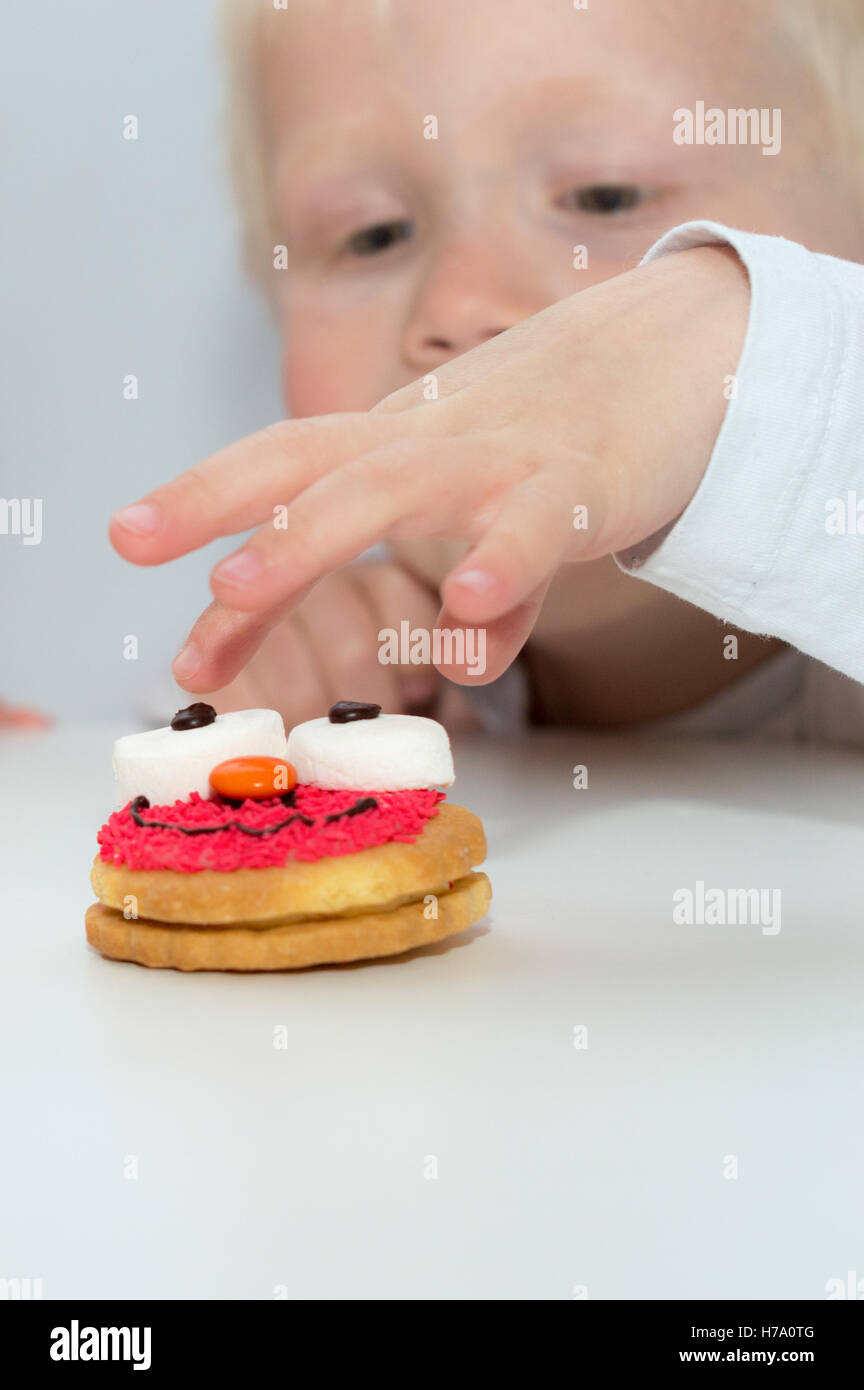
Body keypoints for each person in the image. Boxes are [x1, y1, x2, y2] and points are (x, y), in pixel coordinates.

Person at [110, 0, 864, 745]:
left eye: (608, 196)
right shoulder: (363, 678)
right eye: (373, 236)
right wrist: (276, 703)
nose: (461, 303)